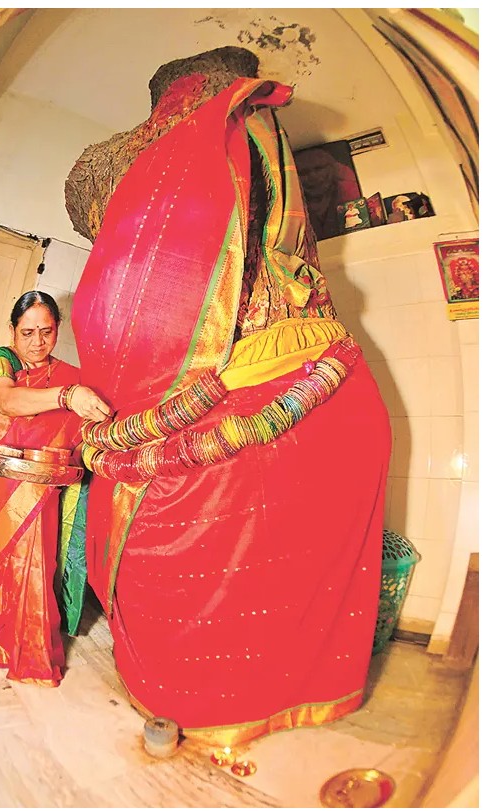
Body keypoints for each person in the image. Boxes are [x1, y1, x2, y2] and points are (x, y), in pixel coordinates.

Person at [69, 49, 391, 745]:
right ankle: (221, 698)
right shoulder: (253, 123)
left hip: (221, 373)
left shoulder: (102, 162)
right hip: (262, 365)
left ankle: (185, 700)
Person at [0, 290, 111, 686]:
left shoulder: (73, 376)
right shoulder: (1, 361)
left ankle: (30, 650)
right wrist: (66, 398)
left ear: (57, 330)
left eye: (46, 331)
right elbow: (4, 400)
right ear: (12, 331)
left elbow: (87, 431)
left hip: (40, 484)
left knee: (33, 563)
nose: (37, 342)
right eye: (27, 332)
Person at [293, 147, 361, 240]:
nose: (313, 176)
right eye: (304, 172)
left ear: (332, 168)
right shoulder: (292, 202)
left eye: (318, 169)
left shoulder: (349, 189)